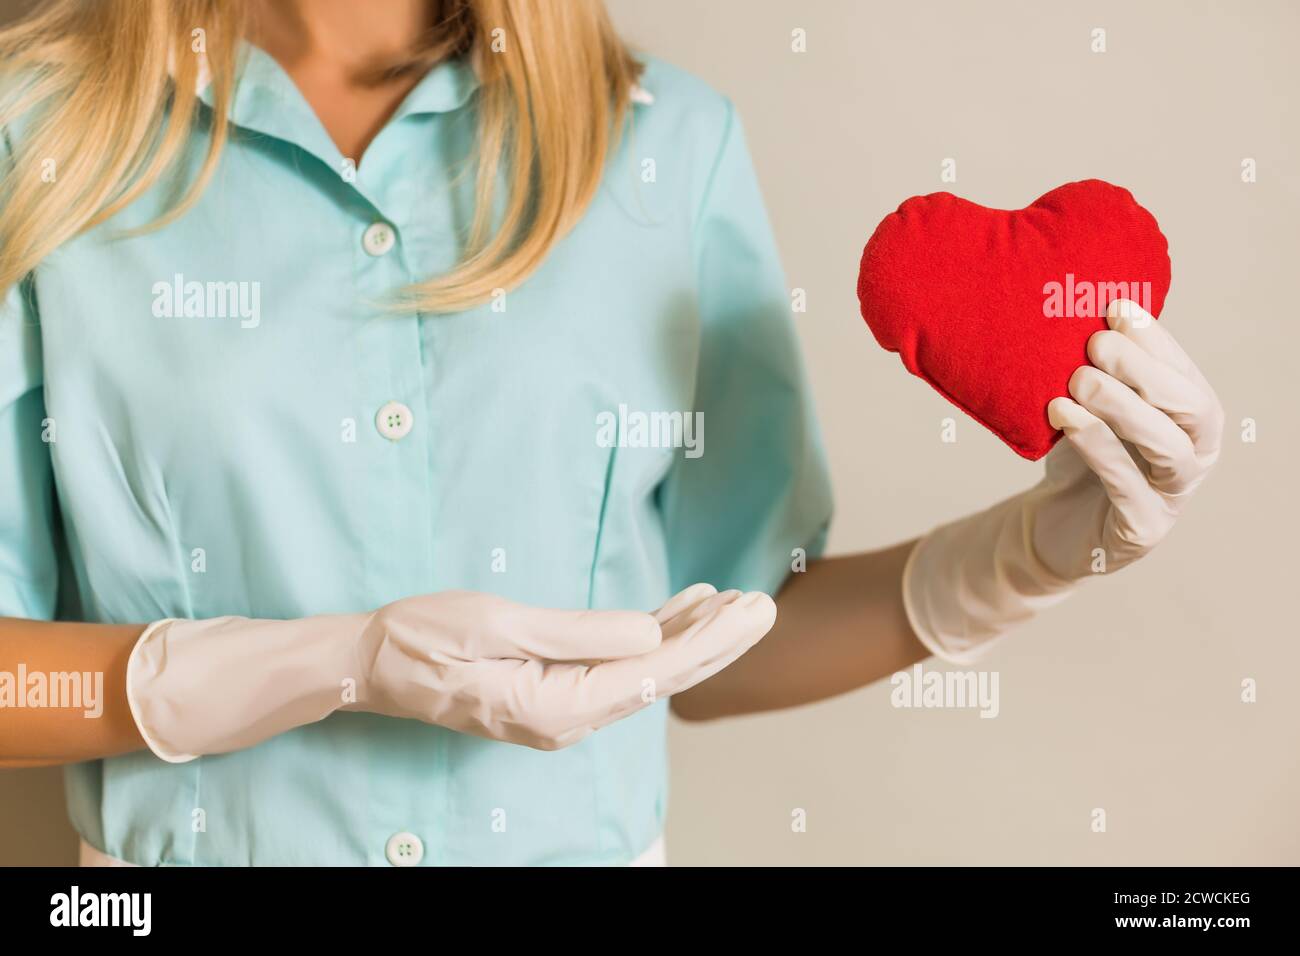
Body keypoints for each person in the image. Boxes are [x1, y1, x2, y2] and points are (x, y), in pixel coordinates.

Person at [0, 0, 1221, 867]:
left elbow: (727, 634)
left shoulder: (667, 145)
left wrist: (1026, 556)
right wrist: (329, 662)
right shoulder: (35, 133)